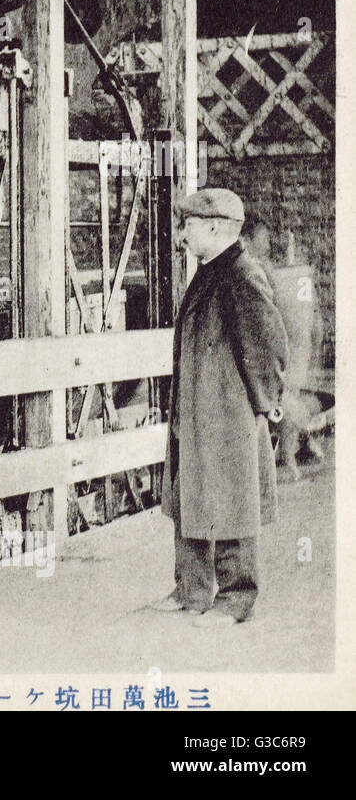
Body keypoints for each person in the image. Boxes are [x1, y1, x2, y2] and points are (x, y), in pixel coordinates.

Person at [153, 188, 288, 627]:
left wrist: (265, 405)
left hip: (227, 415)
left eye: (187, 226)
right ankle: (192, 588)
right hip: (196, 410)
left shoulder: (240, 273)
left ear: (213, 228)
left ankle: (235, 598)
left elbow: (269, 345)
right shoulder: (209, 271)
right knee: (189, 493)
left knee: (232, 500)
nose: (181, 235)